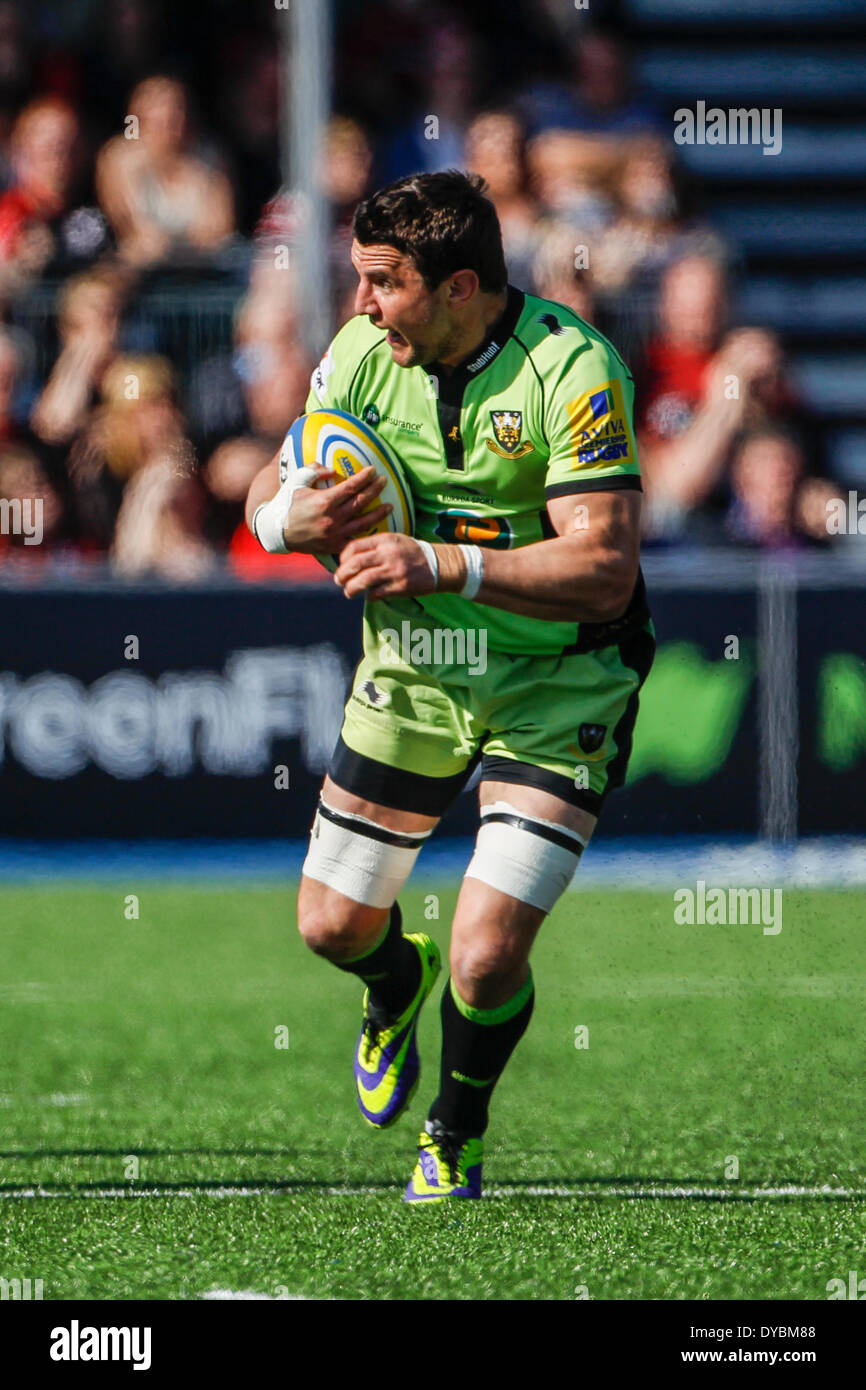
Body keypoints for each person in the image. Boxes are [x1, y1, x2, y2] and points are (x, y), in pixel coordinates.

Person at [244, 171, 654, 1202]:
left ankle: (456, 1126)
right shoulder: (359, 358)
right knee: (331, 927)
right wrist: (283, 523)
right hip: (416, 670)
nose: (359, 306)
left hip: (556, 679)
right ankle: (393, 982)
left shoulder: (571, 370)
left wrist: (438, 561)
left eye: (381, 283)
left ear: (459, 285)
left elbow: (603, 565)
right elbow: (272, 483)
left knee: (483, 954)